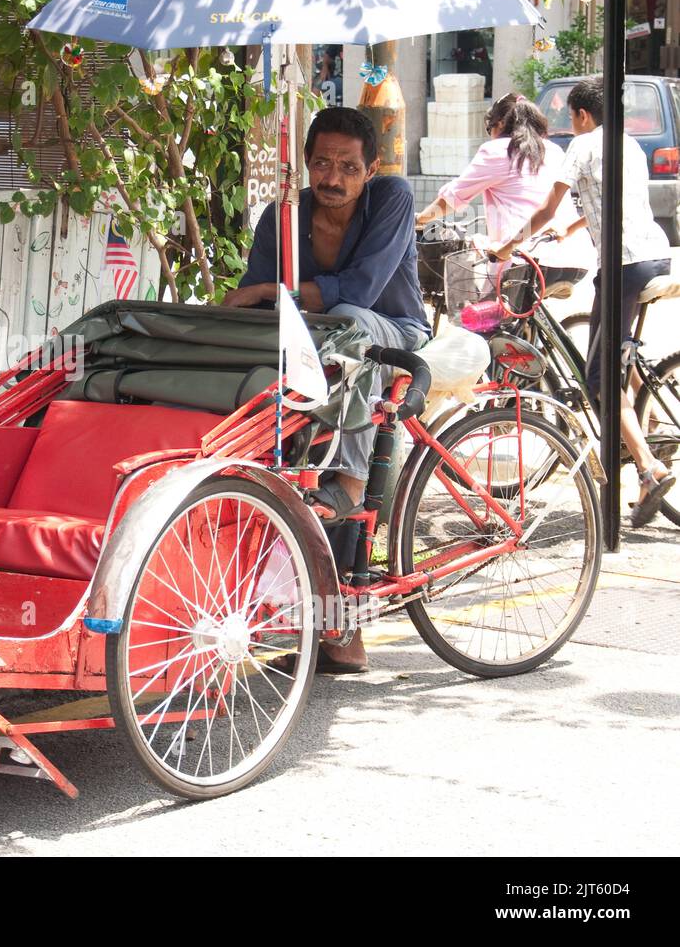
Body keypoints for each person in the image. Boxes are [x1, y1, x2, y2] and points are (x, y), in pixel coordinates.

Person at [225, 107, 430, 673]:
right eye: (321, 163)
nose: (332, 178)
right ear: (306, 165)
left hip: (393, 336)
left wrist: (269, 289)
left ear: (370, 170)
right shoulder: (283, 217)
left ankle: (353, 479)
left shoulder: (392, 197)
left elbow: (362, 289)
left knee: (347, 319)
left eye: (347, 166)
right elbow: (256, 305)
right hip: (318, 350)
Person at [493, 76, 675, 526]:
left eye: (570, 118)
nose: (569, 125)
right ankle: (645, 428)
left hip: (624, 265)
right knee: (621, 358)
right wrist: (573, 230)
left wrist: (510, 243)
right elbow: (618, 201)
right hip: (657, 254)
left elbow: (549, 206)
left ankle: (649, 470)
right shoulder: (627, 143)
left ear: (582, 115)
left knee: (597, 379)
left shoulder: (582, 144)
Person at [414, 92, 583, 260]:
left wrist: (420, 219)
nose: (490, 134)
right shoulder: (554, 150)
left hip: (526, 259)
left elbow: (453, 197)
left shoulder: (497, 150)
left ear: (501, 124)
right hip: (575, 255)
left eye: (490, 128)